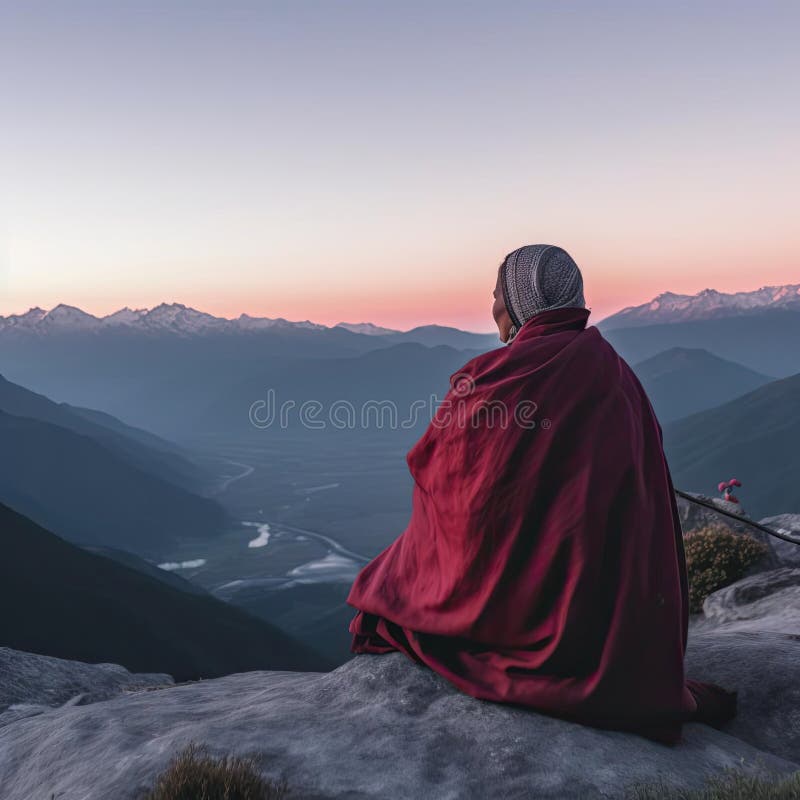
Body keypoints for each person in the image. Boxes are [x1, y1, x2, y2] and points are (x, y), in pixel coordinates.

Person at [345, 244, 737, 744]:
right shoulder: (616, 374)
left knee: (387, 590)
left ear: (519, 303)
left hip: (522, 614)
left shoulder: (493, 379)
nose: (492, 308)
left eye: (496, 295)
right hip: (605, 622)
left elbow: (449, 485)